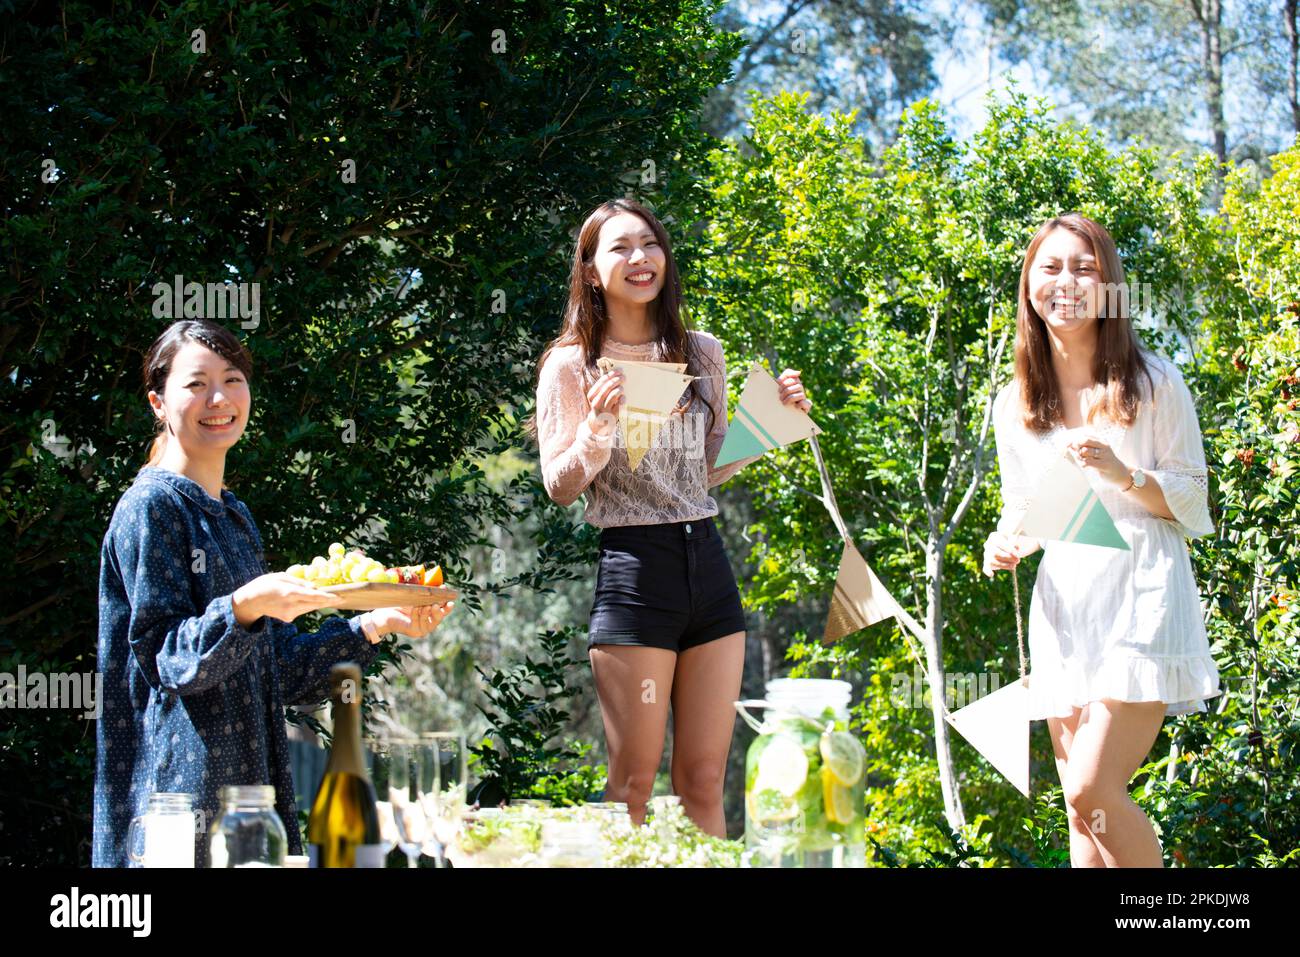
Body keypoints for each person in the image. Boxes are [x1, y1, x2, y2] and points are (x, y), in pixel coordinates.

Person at [93, 319, 454, 867]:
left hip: (249, 808)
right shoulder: (152, 507)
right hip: (172, 810)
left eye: (232, 379)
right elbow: (169, 660)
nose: (219, 398)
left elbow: (268, 670)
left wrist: (375, 624)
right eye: (196, 383)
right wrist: (243, 607)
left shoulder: (234, 517)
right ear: (158, 402)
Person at [531, 198, 811, 836]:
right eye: (620, 248)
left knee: (705, 781)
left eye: (650, 244)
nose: (640, 258)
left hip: (708, 568)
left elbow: (703, 473)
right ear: (591, 270)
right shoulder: (571, 366)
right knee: (632, 783)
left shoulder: (701, 351)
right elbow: (560, 487)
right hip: (636, 573)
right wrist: (596, 435)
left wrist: (768, 426)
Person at [982, 213, 1220, 867]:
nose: (1066, 281)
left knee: (1095, 787)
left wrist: (1127, 474)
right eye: (1050, 266)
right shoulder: (1016, 402)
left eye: (1083, 268)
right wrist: (1003, 543)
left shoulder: (1154, 382)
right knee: (1082, 816)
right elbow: (1026, 509)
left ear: (1109, 284)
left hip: (1143, 587)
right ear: (1029, 281)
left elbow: (1195, 500)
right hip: (1065, 603)